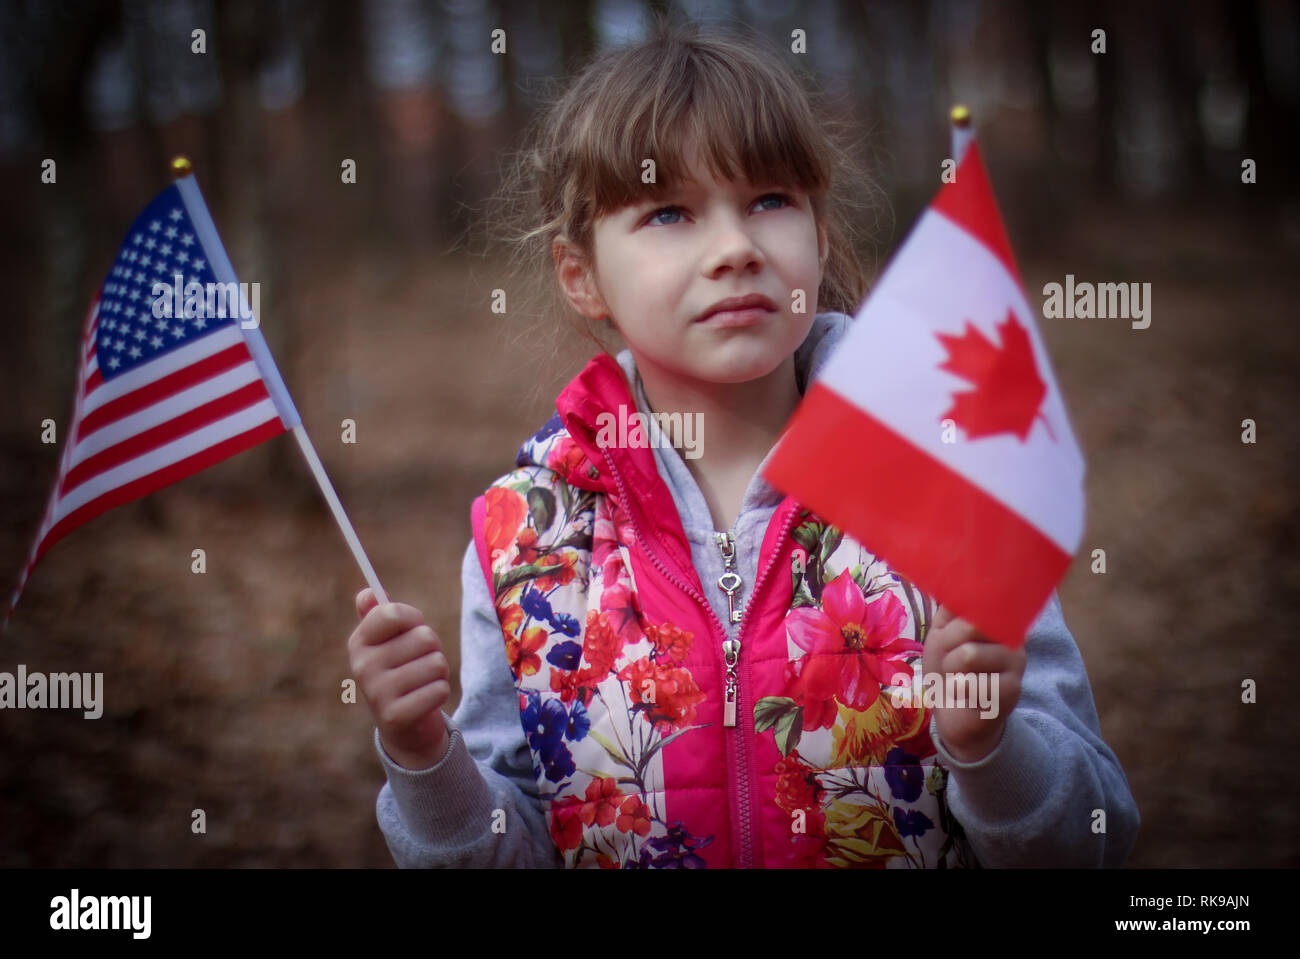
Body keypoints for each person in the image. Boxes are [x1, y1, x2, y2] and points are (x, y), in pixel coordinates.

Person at [346, 18, 1140, 869]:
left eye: (769, 201)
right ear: (581, 276)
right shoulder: (525, 544)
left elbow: (1093, 840)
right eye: (669, 213)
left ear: (820, 232)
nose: (734, 249)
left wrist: (986, 744)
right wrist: (428, 759)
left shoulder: (956, 483)